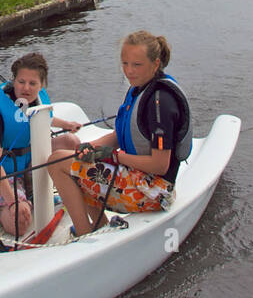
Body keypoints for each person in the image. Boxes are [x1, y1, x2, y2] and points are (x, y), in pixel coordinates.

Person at [49, 30, 191, 236]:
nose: (129, 71)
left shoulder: (160, 103)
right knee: (73, 161)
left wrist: (113, 156)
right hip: (138, 178)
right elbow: (120, 135)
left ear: (156, 63)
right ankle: (99, 228)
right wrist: (92, 146)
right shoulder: (139, 89)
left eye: (137, 65)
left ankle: (83, 234)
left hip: (153, 190)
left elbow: (160, 165)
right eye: (125, 63)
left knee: (57, 163)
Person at [0, 52, 82, 237]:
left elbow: (42, 117)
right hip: (6, 170)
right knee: (19, 225)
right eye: (21, 81)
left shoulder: (38, 98)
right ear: (14, 80)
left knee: (71, 142)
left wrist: (66, 125)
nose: (26, 88)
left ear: (42, 84)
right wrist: (12, 202)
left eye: (32, 83)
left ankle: (58, 188)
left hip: (29, 159)